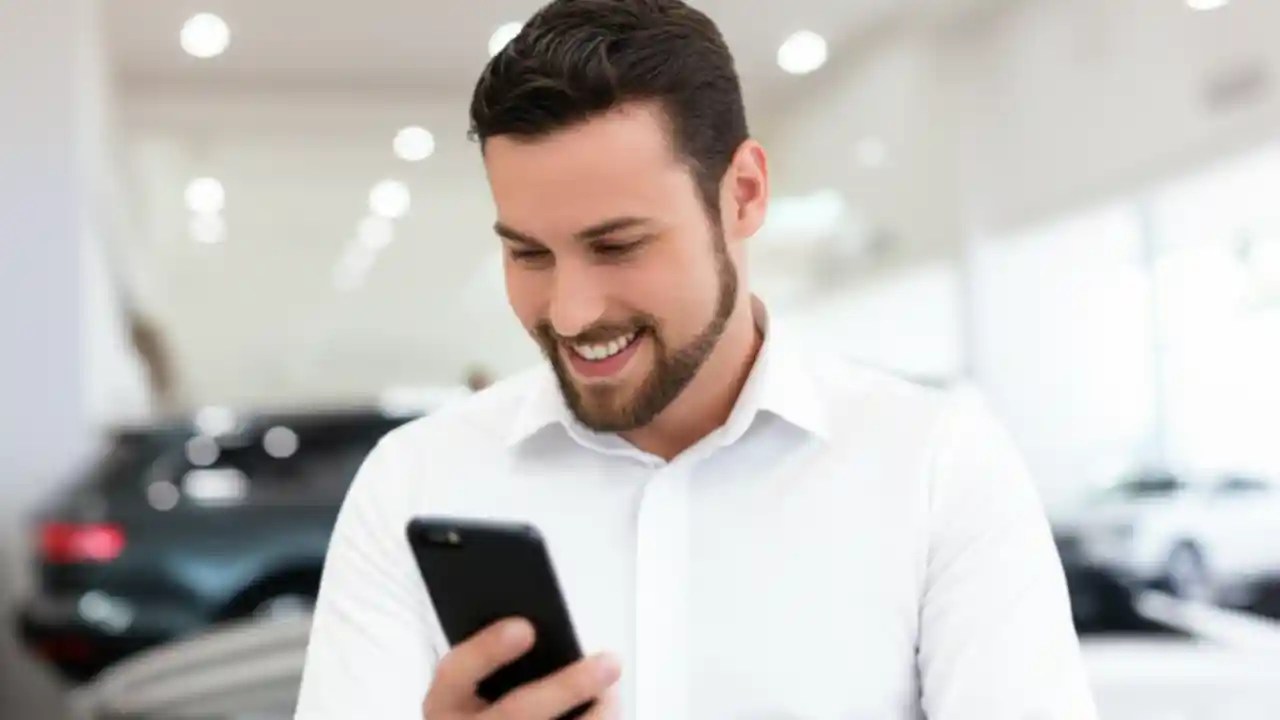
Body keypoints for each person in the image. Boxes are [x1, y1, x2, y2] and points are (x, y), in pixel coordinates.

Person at [295, 1, 1097, 718]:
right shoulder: (411, 482)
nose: (570, 312)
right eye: (529, 254)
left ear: (743, 193)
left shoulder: (937, 468)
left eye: (618, 244)